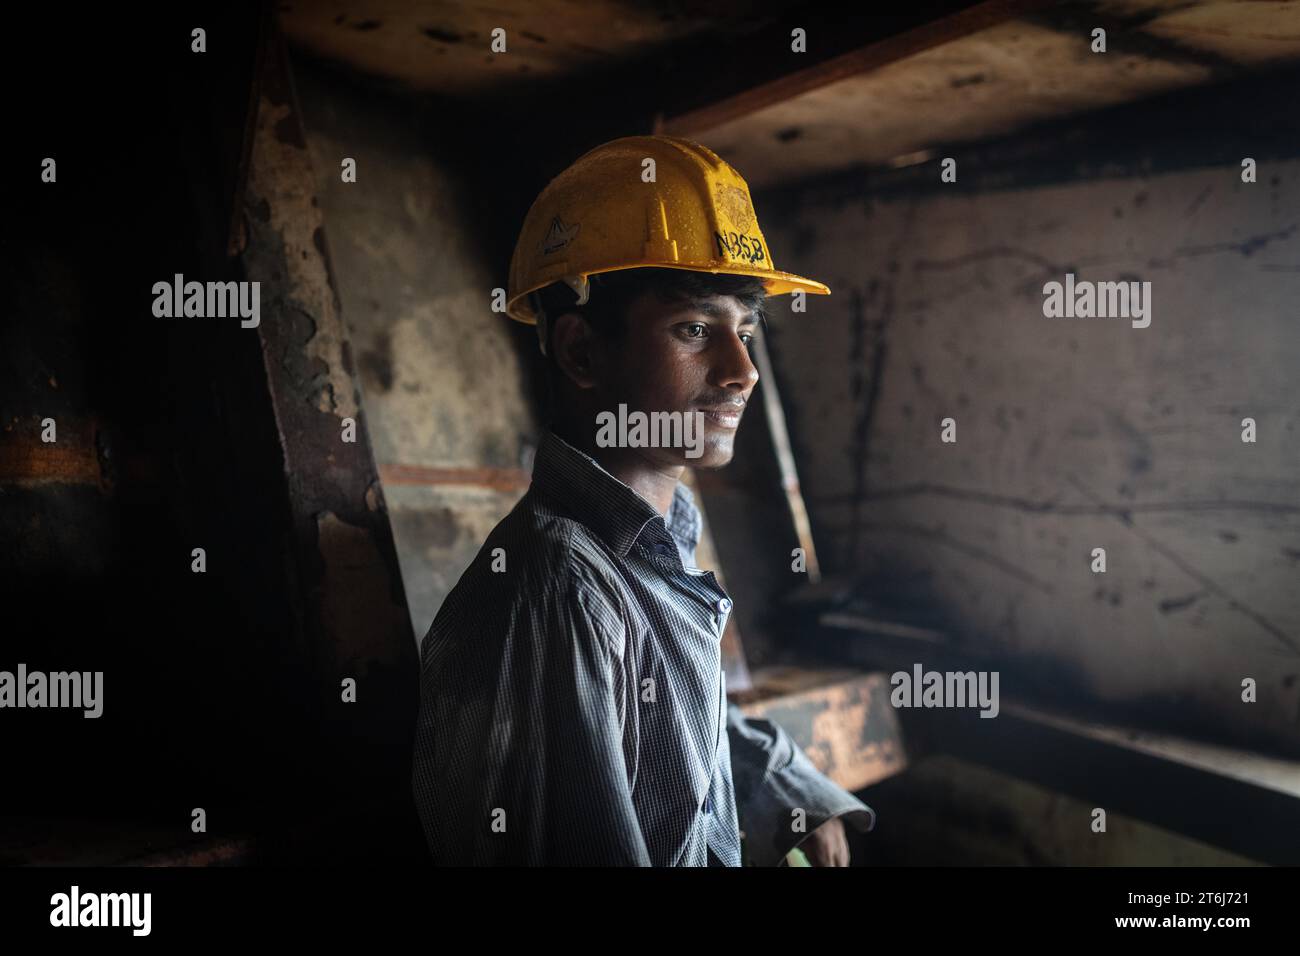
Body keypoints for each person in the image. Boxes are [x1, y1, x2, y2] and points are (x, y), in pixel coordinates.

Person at [412, 135, 876, 865]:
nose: (743, 372)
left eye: (745, 331)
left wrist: (786, 789)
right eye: (695, 329)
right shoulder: (561, 586)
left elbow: (677, 733)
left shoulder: (656, 537)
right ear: (580, 353)